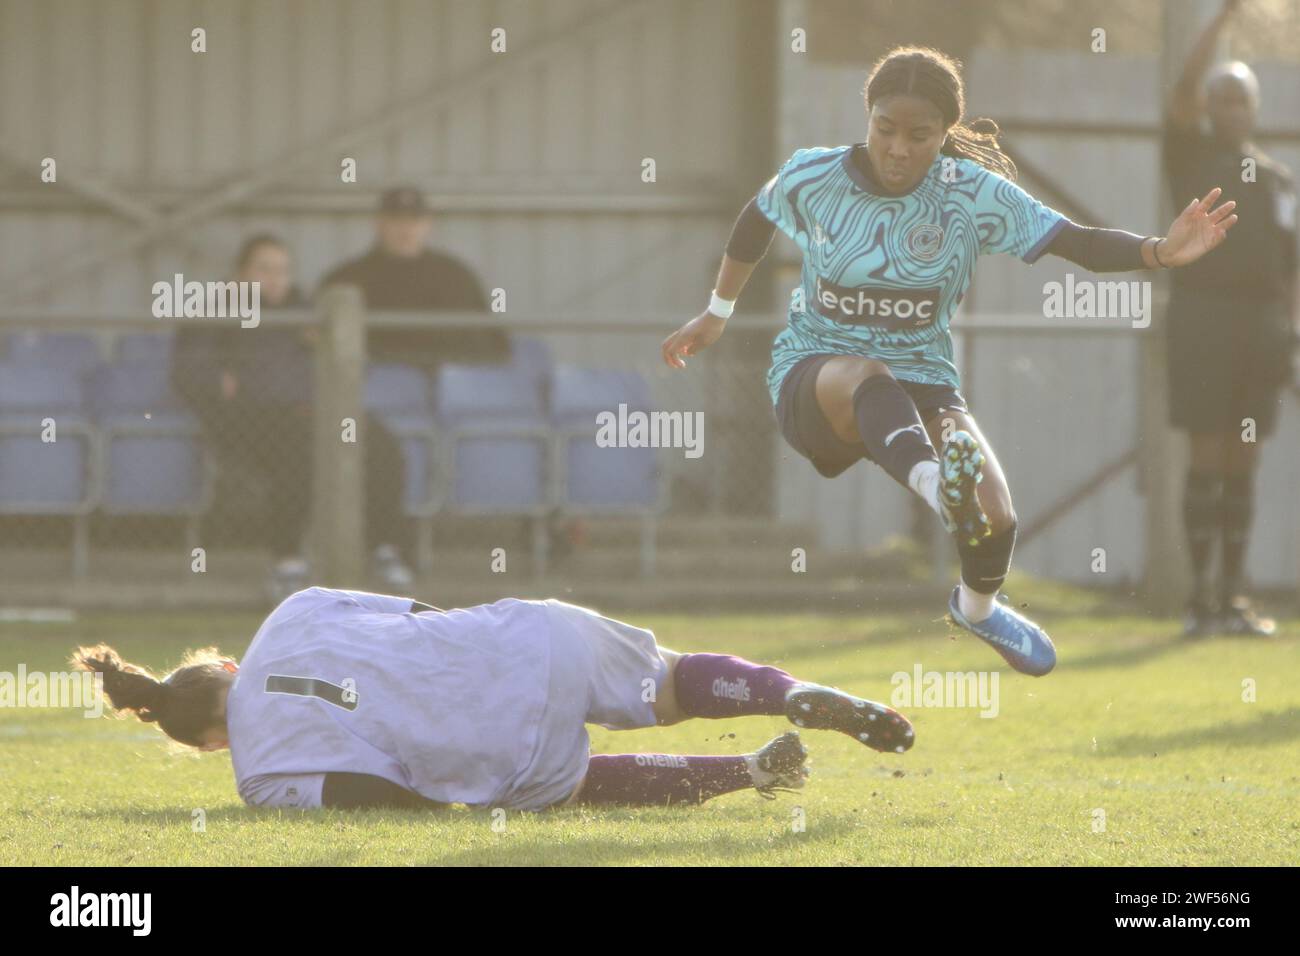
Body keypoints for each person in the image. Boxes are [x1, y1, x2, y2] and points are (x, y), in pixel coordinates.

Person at [661, 46, 1238, 675]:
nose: (899, 148)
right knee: (866, 375)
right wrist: (717, 311)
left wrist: (1160, 250)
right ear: (868, 118)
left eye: (920, 135)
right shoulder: (814, 175)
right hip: (818, 375)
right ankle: (941, 488)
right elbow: (755, 219)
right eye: (885, 129)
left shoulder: (971, 195)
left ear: (944, 134)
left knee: (995, 514)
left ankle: (977, 606)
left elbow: (1078, 243)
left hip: (923, 379)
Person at [70, 587, 917, 810]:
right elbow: (418, 614)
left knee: (571, 789)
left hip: (497, 743)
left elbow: (360, 793)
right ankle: (786, 690)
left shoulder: (257, 777)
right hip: (525, 633)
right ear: (223, 666)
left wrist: (436, 807)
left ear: (209, 740)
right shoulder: (291, 614)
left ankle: (750, 776)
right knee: (669, 678)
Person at [170, 235, 414, 601]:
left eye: (282, 270)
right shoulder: (217, 309)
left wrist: (323, 346)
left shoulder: (306, 311)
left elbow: (353, 364)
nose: (274, 279)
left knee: (381, 442)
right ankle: (287, 561)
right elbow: (187, 367)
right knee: (298, 452)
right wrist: (218, 377)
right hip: (252, 420)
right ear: (240, 274)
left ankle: (385, 548)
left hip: (317, 412)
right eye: (263, 269)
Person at [1163, 0, 1296, 637]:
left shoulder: (1277, 180)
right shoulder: (1189, 156)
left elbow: (1292, 268)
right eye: (1220, 99)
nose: (1228, 109)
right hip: (1201, 325)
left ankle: (1234, 600)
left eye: (1239, 99)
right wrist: (1223, 18)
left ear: (1254, 109)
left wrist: (1289, 333)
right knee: (1207, 456)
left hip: (1260, 331)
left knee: (1244, 460)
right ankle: (1199, 602)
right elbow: (1185, 88)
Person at [318, 186, 509, 367]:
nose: (406, 228)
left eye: (414, 220)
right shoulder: (347, 278)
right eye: (396, 219)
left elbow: (489, 339)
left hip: (453, 384)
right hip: (377, 383)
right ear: (378, 223)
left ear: (428, 224)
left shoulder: (456, 275)